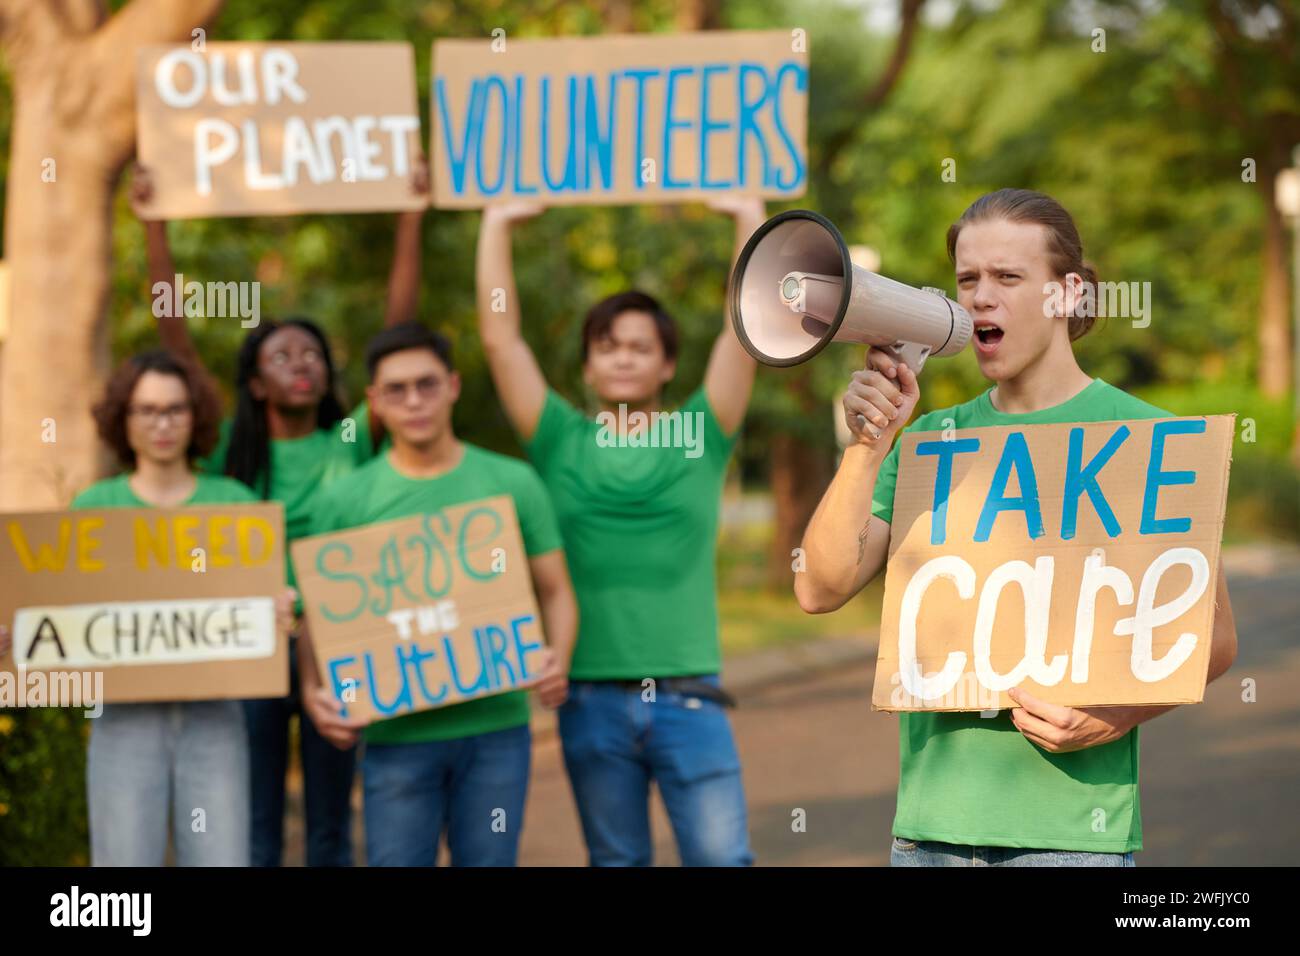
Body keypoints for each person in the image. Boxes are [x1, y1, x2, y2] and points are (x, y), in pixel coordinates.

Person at [795, 188, 1239, 867]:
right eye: (968, 279)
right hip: (927, 837)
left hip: (1070, 840)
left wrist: (1113, 717)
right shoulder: (932, 441)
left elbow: (1215, 641)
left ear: (1066, 296)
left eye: (1007, 277)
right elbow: (819, 589)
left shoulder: (1149, 436)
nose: (980, 298)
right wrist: (868, 444)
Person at [129, 163, 428, 867]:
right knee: (256, 821)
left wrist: (411, 216)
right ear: (256, 380)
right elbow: (176, 346)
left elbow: (398, 334)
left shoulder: (351, 440)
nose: (303, 364)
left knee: (331, 822)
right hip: (253, 638)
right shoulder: (234, 448)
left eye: (314, 355)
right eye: (282, 355)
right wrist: (153, 226)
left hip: (341, 638)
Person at [474, 197, 765, 866]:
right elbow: (500, 338)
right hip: (589, 701)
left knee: (723, 860)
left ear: (667, 365)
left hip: (690, 699)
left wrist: (749, 216)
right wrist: (495, 224)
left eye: (641, 347)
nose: (624, 359)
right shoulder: (558, 438)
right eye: (607, 347)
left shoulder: (702, 433)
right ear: (586, 366)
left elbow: (741, 332)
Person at [300, 322, 578, 867]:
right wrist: (314, 691)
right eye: (396, 390)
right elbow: (317, 616)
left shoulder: (512, 483)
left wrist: (557, 661)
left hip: (496, 731)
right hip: (395, 739)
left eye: (426, 384)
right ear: (374, 402)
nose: (414, 401)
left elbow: (557, 591)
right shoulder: (343, 502)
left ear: (452, 386)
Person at [68, 350, 292, 866]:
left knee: (222, 858)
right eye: (147, 410)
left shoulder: (235, 503)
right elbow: (66, 622)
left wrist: (284, 616)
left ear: (197, 416)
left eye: (175, 409)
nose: (162, 423)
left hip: (215, 716)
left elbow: (274, 612)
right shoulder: (92, 509)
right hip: (121, 719)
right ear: (123, 420)